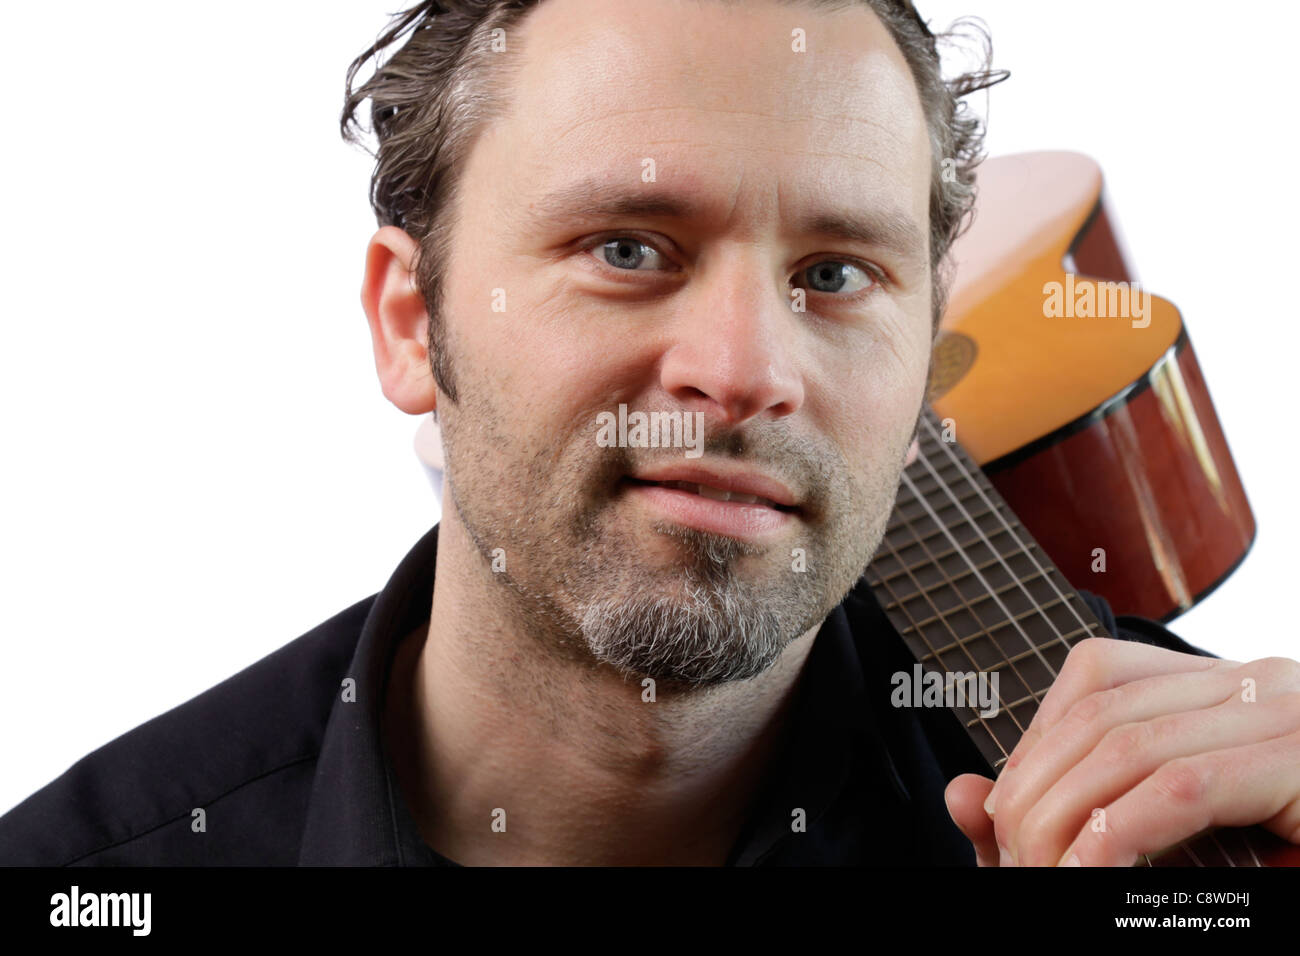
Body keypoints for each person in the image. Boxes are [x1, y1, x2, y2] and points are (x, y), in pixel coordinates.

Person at [3, 0, 1297, 867]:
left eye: (839, 274)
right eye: (628, 249)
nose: (747, 374)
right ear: (412, 324)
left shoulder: (1163, 794)